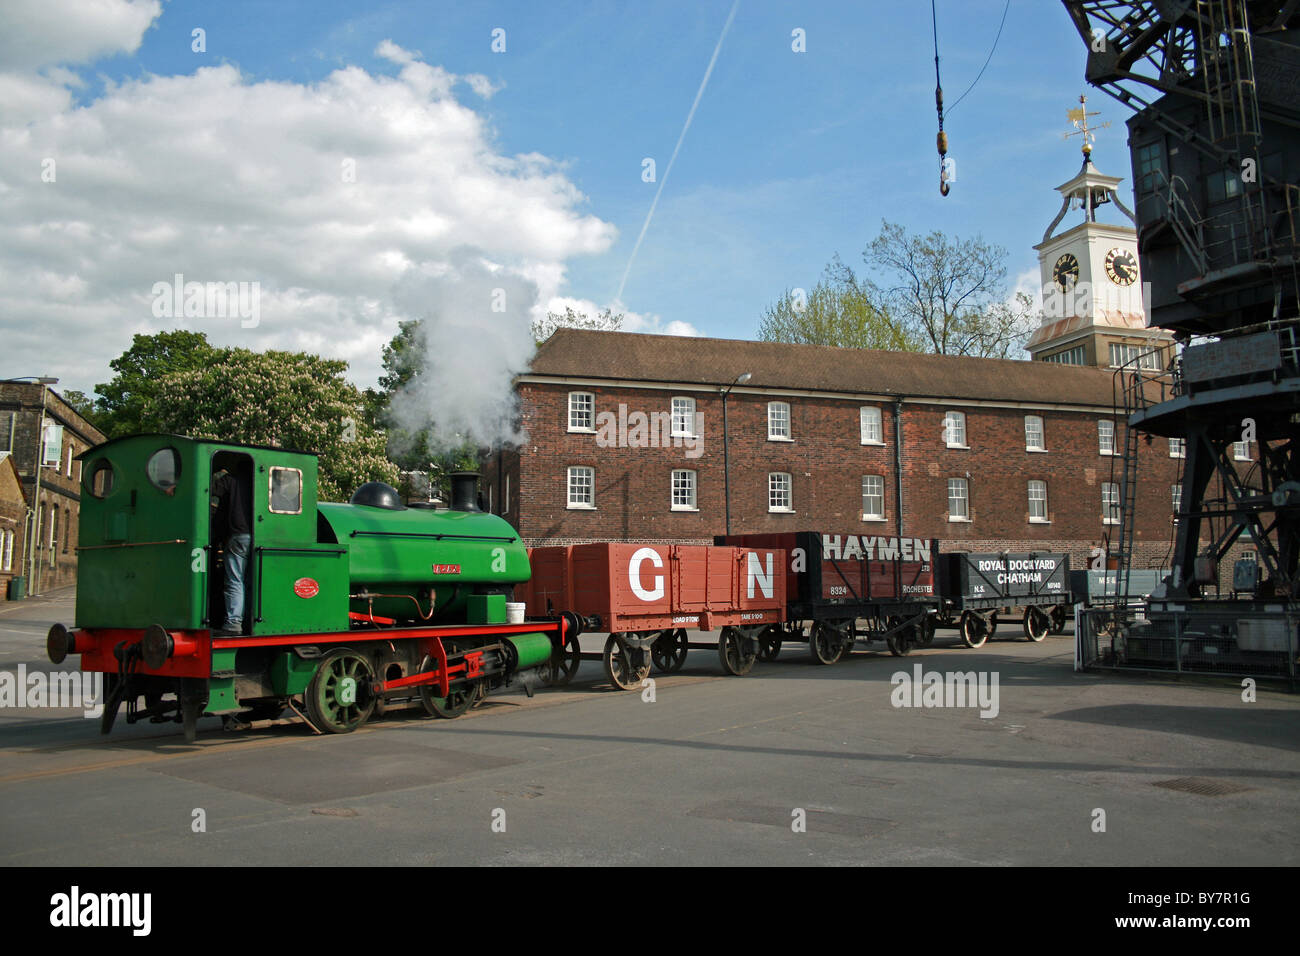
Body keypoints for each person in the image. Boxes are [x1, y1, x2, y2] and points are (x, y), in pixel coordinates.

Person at [211, 464, 252, 636]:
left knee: (234, 579)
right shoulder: (255, 481)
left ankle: (234, 621)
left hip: (238, 534)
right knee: (246, 577)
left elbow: (207, 488)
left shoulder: (231, 480)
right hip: (257, 535)